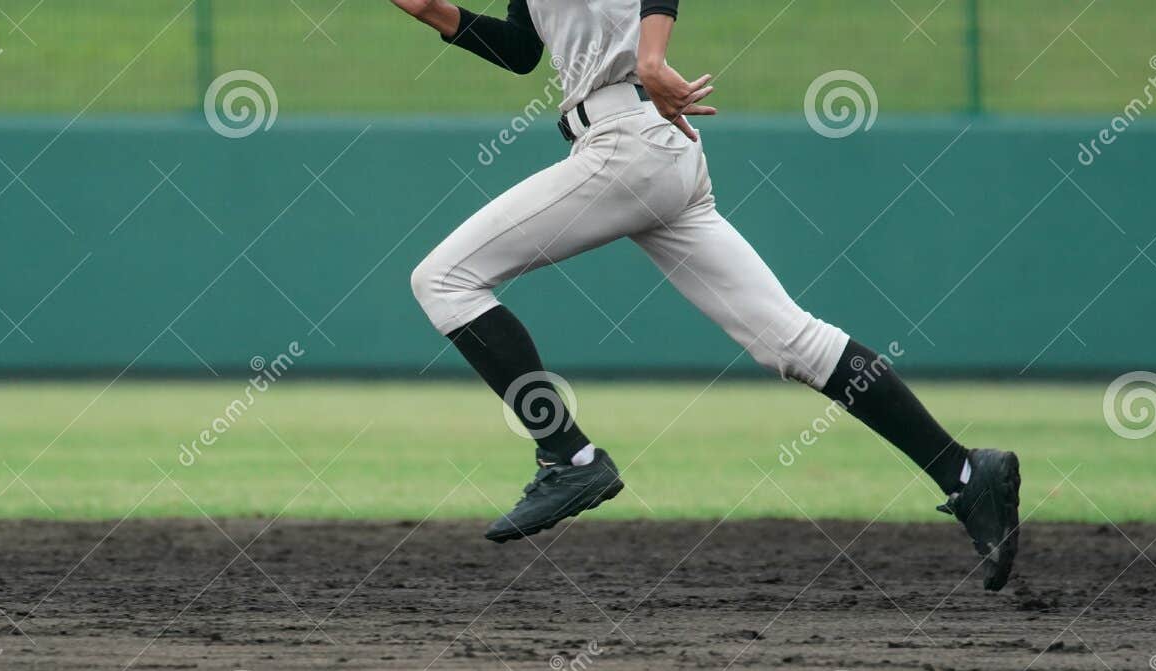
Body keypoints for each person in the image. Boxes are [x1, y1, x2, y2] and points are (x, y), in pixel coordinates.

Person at [388, 0, 1021, 591]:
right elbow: (522, 49)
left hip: (626, 143)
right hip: (651, 146)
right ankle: (967, 473)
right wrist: (433, 12)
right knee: (790, 340)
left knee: (444, 280)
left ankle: (569, 457)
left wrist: (651, 58)